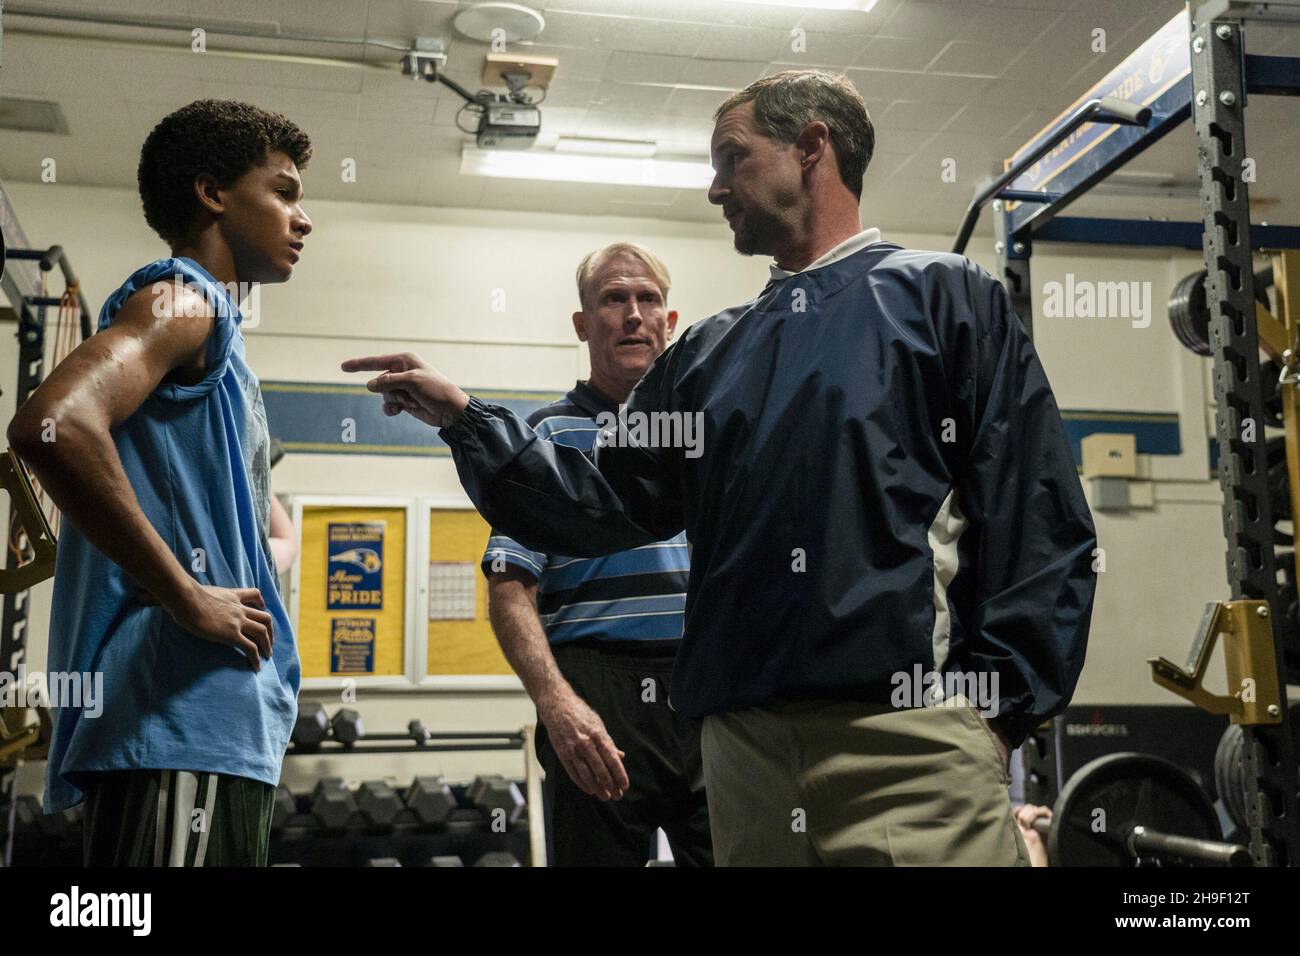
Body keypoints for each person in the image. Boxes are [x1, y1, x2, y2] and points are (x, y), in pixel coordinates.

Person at [343, 69, 1097, 866]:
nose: (713, 188)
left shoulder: (947, 303)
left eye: (731, 159)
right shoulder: (710, 353)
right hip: (741, 756)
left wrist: (995, 714)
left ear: (812, 148)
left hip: (908, 744)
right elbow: (596, 501)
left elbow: (1038, 520)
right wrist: (469, 419)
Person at [7, 99, 311, 866]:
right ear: (213, 194)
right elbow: (54, 424)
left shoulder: (224, 350)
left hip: (220, 723)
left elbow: (254, 531)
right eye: (282, 191)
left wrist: (248, 567)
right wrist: (187, 594)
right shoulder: (184, 301)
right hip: (180, 712)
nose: (302, 218)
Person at [484, 243, 711, 866]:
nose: (633, 314)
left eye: (649, 300)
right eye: (614, 299)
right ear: (584, 324)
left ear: (670, 323)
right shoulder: (546, 438)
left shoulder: (705, 439)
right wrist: (556, 703)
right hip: (596, 692)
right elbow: (510, 587)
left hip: (703, 684)